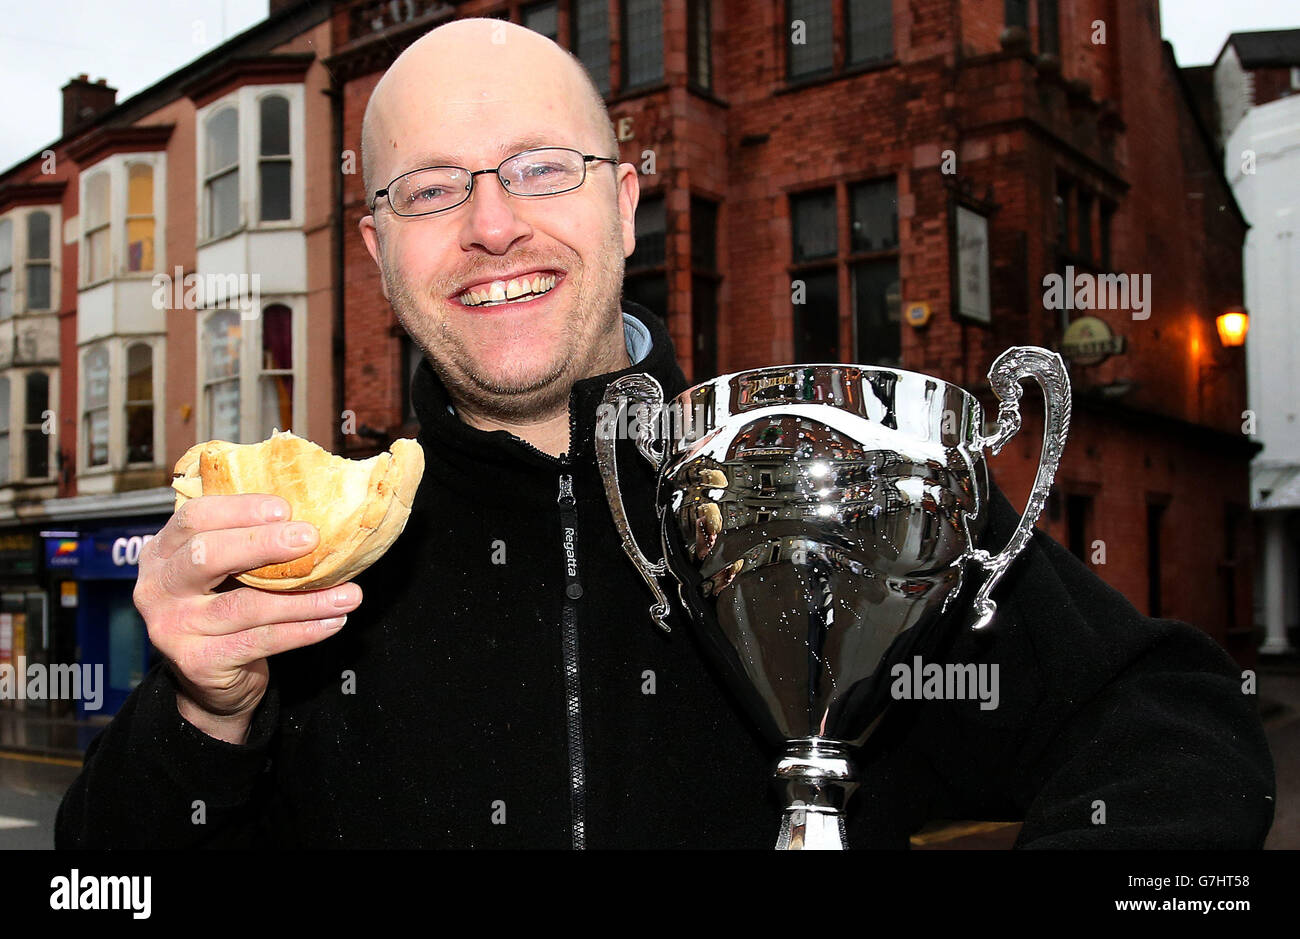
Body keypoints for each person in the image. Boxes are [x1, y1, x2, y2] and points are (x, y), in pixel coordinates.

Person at [56, 19, 1274, 849]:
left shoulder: (831, 475)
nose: (492, 226)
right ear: (376, 252)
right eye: (429, 189)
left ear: (624, 202)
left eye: (541, 168)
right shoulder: (299, 566)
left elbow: (1171, 717)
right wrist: (200, 715)